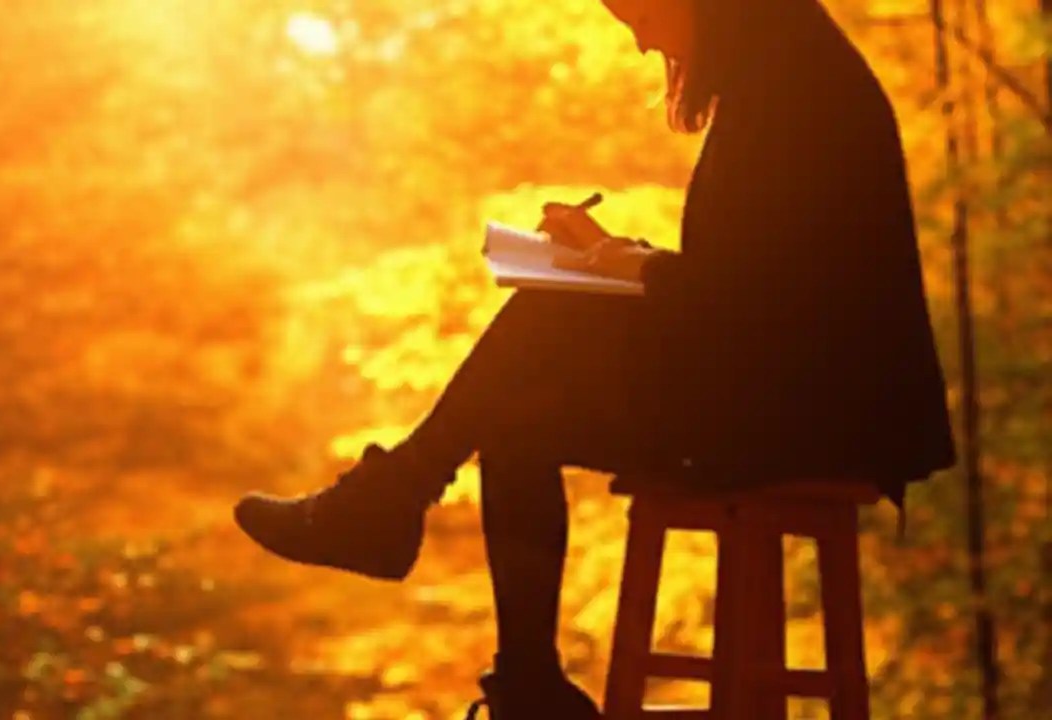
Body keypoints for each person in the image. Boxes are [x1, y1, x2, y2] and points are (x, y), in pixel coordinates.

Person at [235, 0, 957, 716]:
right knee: (518, 420)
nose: (644, 45)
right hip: (783, 399)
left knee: (546, 316)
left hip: (808, 419)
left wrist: (621, 266)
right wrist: (619, 258)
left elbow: (750, 305)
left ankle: (392, 501)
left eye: (639, 19)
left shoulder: (795, 92)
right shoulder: (784, 72)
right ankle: (527, 682)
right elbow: (750, 285)